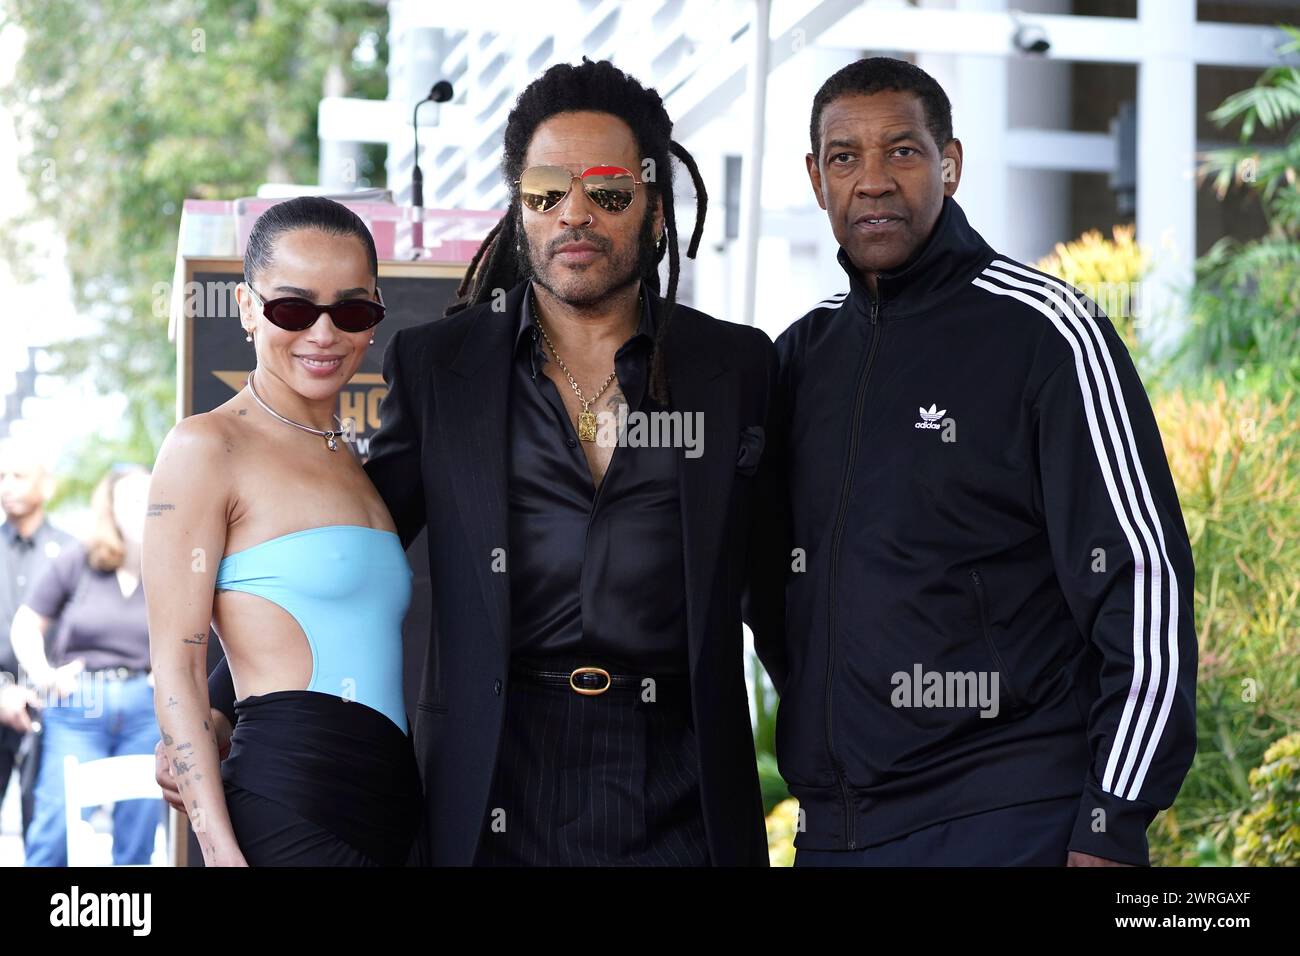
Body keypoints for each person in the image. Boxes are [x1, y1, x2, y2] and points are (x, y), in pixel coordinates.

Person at [178, 58, 778, 866]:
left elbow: (782, 584)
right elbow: (352, 548)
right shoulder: (442, 369)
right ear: (519, 211)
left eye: (607, 193)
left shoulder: (735, 368)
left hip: (683, 793)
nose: (576, 216)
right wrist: (218, 705)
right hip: (498, 784)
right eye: (546, 194)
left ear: (657, 213)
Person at [760, 57, 1198, 866]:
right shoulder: (797, 359)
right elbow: (769, 589)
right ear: (817, 180)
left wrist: (1112, 816)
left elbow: (1144, 579)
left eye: (903, 151)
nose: (874, 181)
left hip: (1008, 818)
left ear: (950, 165)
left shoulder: (1047, 331)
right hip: (837, 831)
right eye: (845, 157)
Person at [144, 196, 421, 867]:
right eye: (293, 309)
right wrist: (219, 851)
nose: (323, 334)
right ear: (245, 308)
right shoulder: (206, 447)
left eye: (351, 310)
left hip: (390, 809)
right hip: (288, 808)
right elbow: (174, 667)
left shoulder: (353, 461)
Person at [18, 464, 162, 866]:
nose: (142, 508)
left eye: (150, 498)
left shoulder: (170, 565)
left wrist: (168, 675)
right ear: (111, 509)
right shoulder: (78, 560)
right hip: (80, 706)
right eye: (131, 500)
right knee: (56, 830)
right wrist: (44, 675)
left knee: (138, 837)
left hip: (144, 710)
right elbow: (26, 624)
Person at [0, 438, 75, 847]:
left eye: (18, 475)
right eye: (1, 477)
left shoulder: (71, 553)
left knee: (46, 833)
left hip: (50, 706)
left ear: (47, 486)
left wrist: (39, 685)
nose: (7, 485)